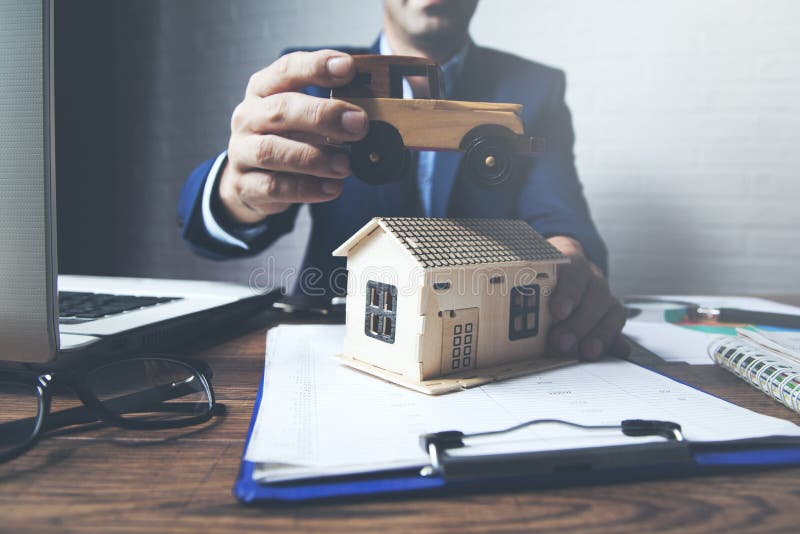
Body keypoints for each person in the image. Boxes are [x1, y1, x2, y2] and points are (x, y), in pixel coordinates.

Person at [177, 0, 629, 361]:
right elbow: (216, 226)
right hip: (338, 325)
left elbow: (561, 217)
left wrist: (569, 261)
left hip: (477, 333)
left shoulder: (533, 87)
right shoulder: (318, 79)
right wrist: (239, 191)